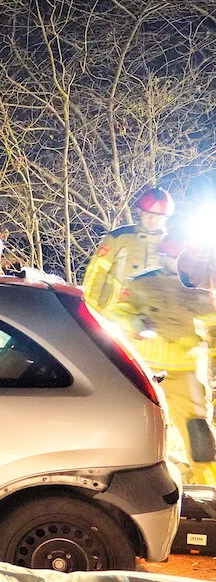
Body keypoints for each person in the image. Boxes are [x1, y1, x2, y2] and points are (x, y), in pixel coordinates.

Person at [109, 236, 216, 484]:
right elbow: (116, 312)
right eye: (170, 257)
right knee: (139, 432)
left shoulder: (200, 288)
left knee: (198, 432)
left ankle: (207, 487)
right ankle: (154, 483)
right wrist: (132, 321)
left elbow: (213, 326)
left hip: (186, 372)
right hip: (147, 371)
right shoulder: (141, 284)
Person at [81, 185, 174, 315]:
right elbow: (95, 275)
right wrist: (90, 309)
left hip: (150, 320)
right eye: (148, 214)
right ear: (140, 212)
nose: (152, 220)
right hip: (111, 313)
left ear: (165, 218)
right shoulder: (118, 238)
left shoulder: (171, 247)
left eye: (157, 216)